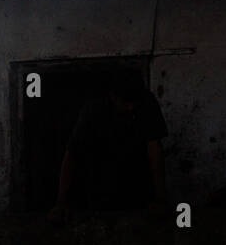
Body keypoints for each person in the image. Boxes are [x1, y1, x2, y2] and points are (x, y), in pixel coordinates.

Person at [47, 74, 168, 223]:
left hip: (138, 184)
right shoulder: (94, 109)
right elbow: (73, 154)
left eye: (133, 102)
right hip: (99, 184)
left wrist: (160, 198)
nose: (131, 107)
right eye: (126, 102)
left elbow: (154, 150)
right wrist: (61, 203)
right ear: (113, 97)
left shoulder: (146, 103)